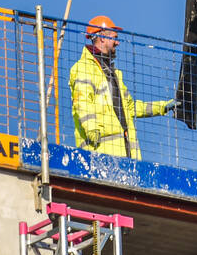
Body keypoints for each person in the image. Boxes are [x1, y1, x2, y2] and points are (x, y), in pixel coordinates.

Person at [69, 14, 174, 160]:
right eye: (115, 37)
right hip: (99, 153)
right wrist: (92, 129)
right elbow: (82, 102)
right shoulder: (84, 68)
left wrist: (163, 106)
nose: (117, 43)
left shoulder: (114, 74)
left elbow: (130, 108)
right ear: (102, 37)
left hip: (125, 154)